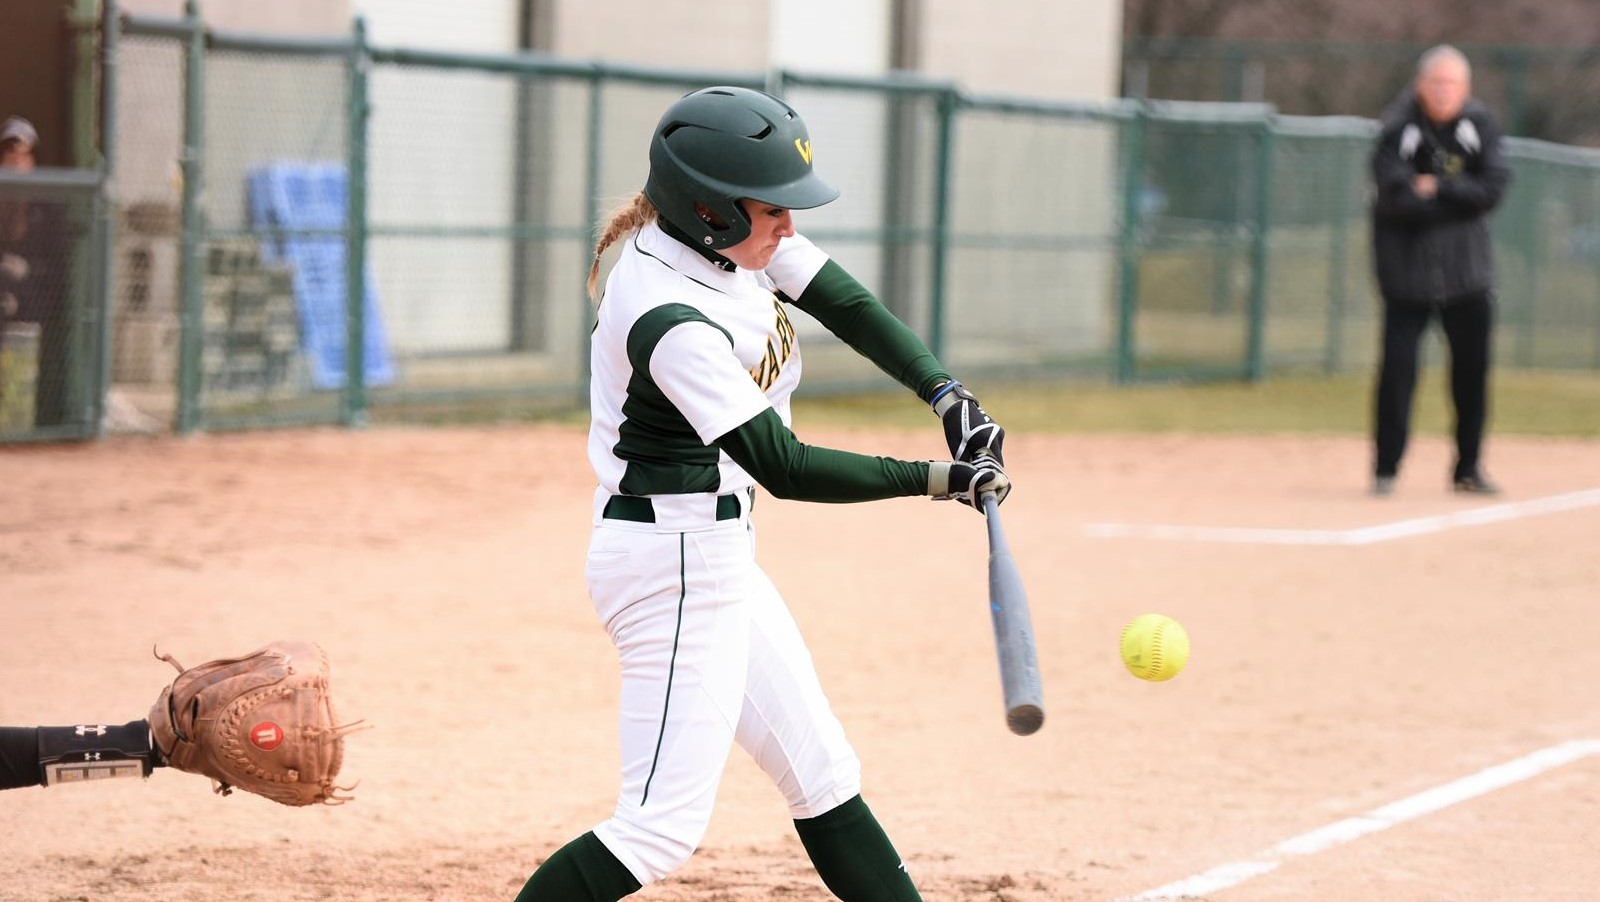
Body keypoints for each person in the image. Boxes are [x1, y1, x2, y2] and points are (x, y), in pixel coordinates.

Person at [513, 87, 1010, 902]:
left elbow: (845, 303)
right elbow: (784, 464)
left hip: (715, 554)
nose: (787, 225)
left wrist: (945, 394)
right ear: (707, 209)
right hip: (671, 566)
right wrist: (937, 479)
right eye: (771, 209)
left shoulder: (728, 244)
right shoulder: (670, 314)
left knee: (822, 772)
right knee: (656, 829)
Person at [1370, 45, 1512, 497]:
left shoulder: (1481, 127)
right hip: (1406, 278)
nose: (1443, 90)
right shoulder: (1397, 129)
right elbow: (1394, 196)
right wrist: (1452, 197)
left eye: (1452, 83)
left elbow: (1491, 189)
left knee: (1471, 375)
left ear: (1465, 89)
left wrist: (1437, 187)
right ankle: (1386, 468)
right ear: (1420, 85)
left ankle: (1468, 466)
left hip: (1467, 277)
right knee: (1397, 375)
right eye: (1436, 82)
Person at [0, 115, 71, 429]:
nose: (17, 161)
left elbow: (59, 272)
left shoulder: (48, 208)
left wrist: (25, 274)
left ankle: (32, 422)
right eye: (10, 154)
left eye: (24, 155)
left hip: (35, 305)